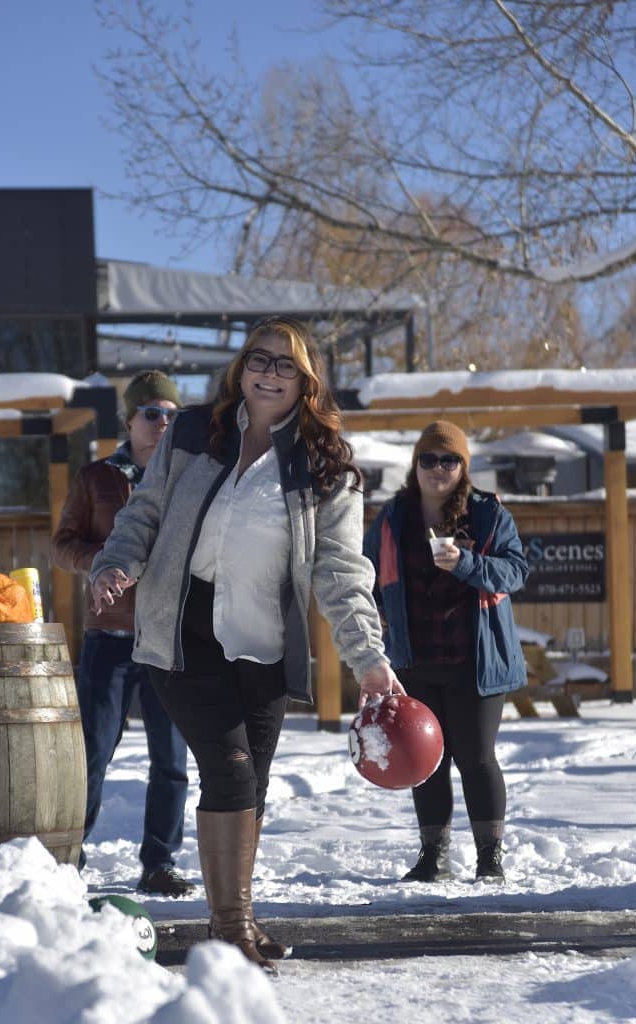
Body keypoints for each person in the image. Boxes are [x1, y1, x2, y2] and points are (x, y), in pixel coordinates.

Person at [89, 316, 403, 973]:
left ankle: (240, 919)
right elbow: (143, 512)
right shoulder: (192, 433)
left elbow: (341, 575)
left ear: (307, 381)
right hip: (183, 631)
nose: (268, 372)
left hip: (264, 642)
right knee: (229, 772)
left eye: (284, 364)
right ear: (241, 368)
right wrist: (116, 564)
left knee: (249, 787)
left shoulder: (327, 470)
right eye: (258, 359)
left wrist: (369, 660)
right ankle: (229, 929)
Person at [363, 420, 529, 885]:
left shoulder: (488, 515)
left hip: (475, 662)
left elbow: (515, 572)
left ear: (464, 467)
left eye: (449, 459)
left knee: (476, 757)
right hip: (414, 658)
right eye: (429, 459)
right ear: (414, 466)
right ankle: (433, 857)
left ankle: (489, 859)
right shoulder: (394, 517)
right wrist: (371, 617)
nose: (439, 468)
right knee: (425, 759)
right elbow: (365, 572)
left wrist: (468, 563)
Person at [51, 370, 193, 897]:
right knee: (91, 752)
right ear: (129, 421)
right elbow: (61, 546)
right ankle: (70, 856)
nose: (162, 423)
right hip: (110, 636)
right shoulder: (95, 479)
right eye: (152, 413)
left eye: (171, 415)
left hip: (168, 638)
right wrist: (104, 563)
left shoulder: (189, 477)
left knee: (171, 759)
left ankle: (160, 861)